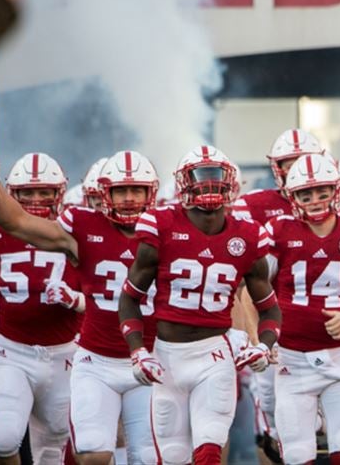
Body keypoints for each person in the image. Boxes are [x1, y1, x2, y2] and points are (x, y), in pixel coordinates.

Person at [0, 150, 162, 465]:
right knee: (89, 453)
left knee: (149, 456)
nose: (130, 199)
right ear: (104, 193)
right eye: (121, 190)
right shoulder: (82, 228)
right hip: (94, 359)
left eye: (137, 190)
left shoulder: (169, 228)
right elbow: (17, 222)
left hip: (148, 358)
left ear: (153, 192)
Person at [117, 145, 282, 465]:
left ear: (231, 181)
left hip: (214, 356)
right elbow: (130, 298)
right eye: (201, 176)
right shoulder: (161, 226)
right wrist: (137, 351)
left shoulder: (248, 235)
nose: (209, 184)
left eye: (216, 176)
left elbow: (269, 308)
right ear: (183, 182)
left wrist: (265, 345)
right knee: (174, 457)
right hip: (167, 357)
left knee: (208, 452)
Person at [262, 153, 340, 465]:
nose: (315, 200)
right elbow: (252, 287)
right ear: (292, 196)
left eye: (322, 192)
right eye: (305, 194)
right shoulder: (278, 229)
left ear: (337, 192)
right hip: (291, 361)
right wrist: (261, 336)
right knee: (298, 456)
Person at [0, 152, 80, 464]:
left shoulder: (76, 229)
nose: (36, 199)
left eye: (44, 191)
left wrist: (77, 299)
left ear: (59, 192)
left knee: (53, 448)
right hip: (13, 350)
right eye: (26, 193)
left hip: (65, 353)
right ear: (12, 193)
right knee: (5, 439)